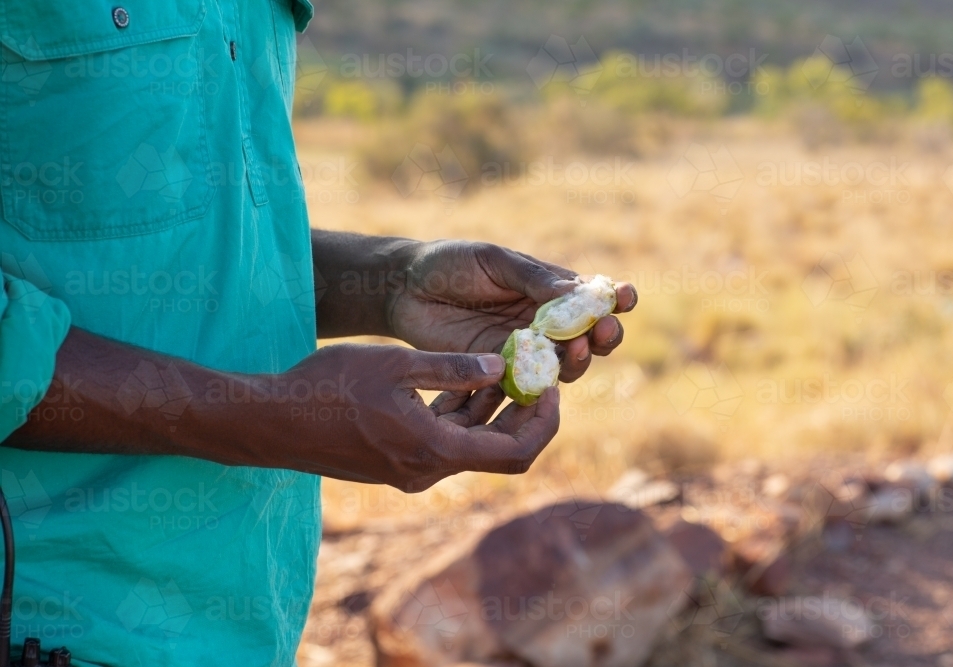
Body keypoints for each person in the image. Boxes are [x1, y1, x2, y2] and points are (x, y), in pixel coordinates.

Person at [0, 1, 636, 664]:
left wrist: (392, 280)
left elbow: (163, 246)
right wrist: (272, 418)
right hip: (42, 625)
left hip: (248, 629)